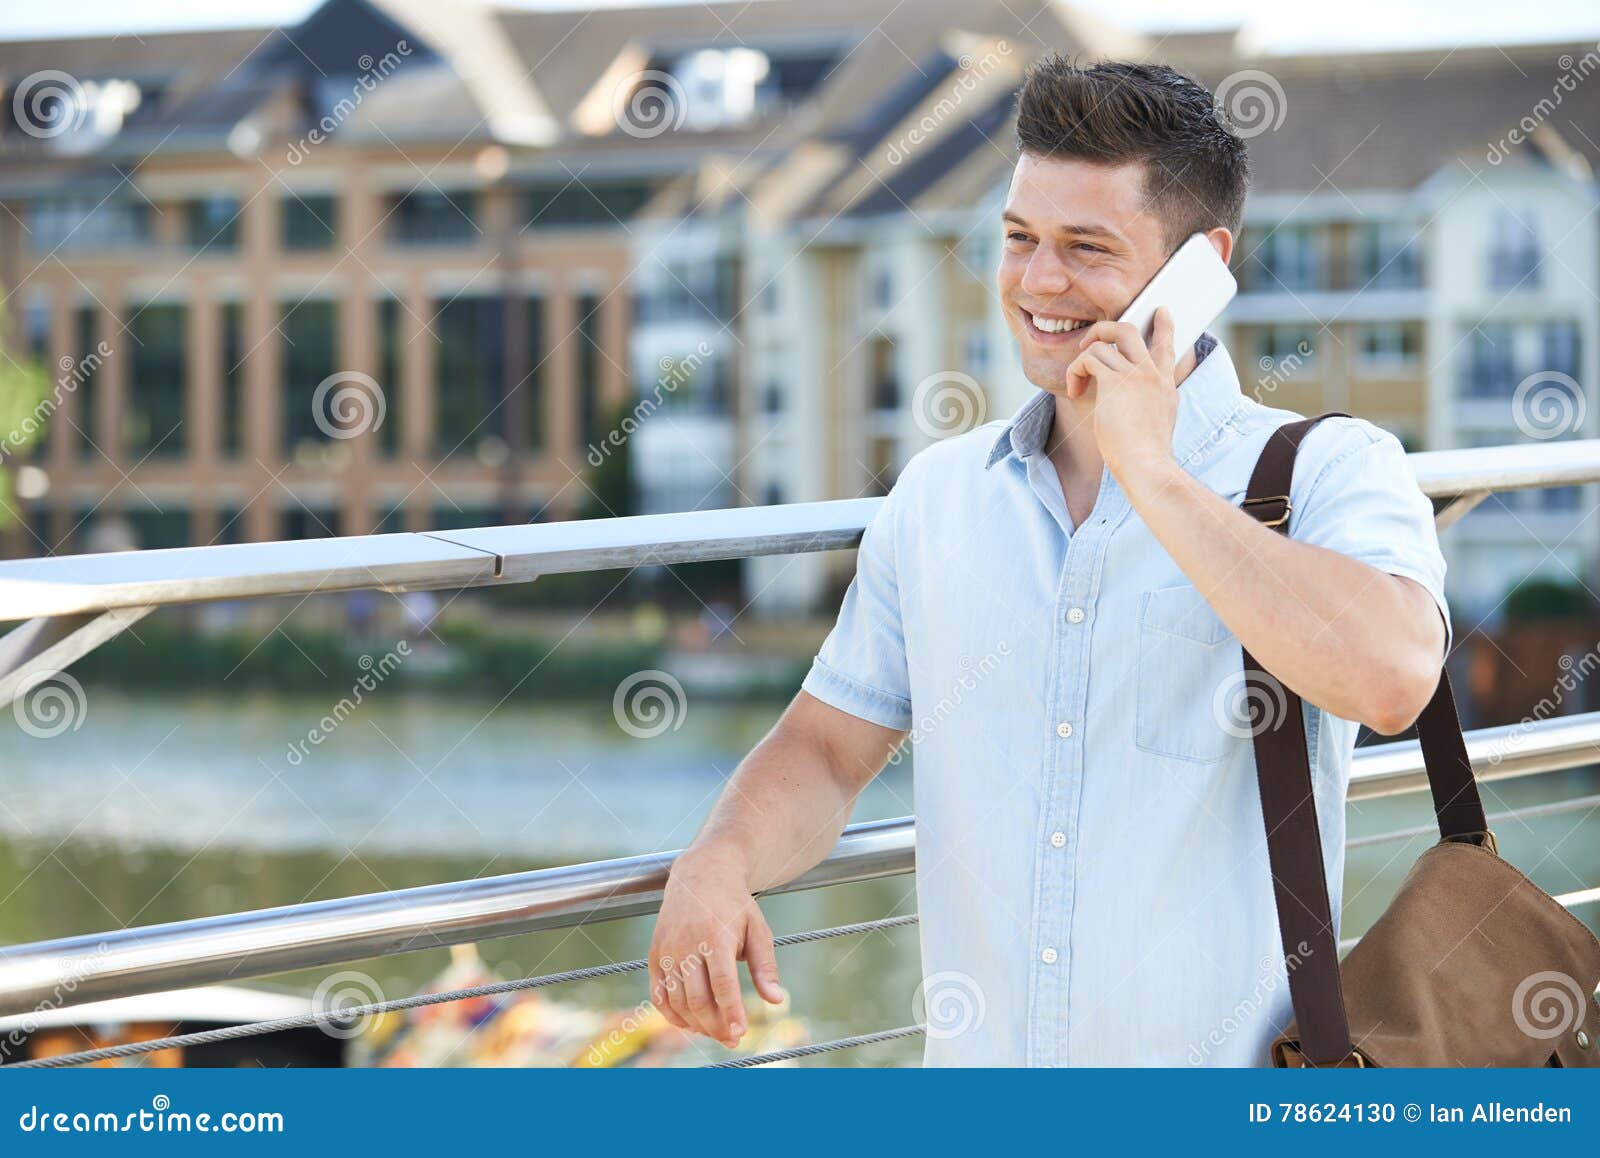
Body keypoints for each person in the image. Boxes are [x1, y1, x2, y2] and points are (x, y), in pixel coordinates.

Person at [646, 57, 1449, 1066]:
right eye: (1020, 239)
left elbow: (1391, 679)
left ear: (1199, 267)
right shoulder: (937, 498)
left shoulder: (1331, 467)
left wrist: (1150, 470)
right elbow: (824, 750)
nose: (1038, 282)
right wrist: (719, 860)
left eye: (1087, 248)